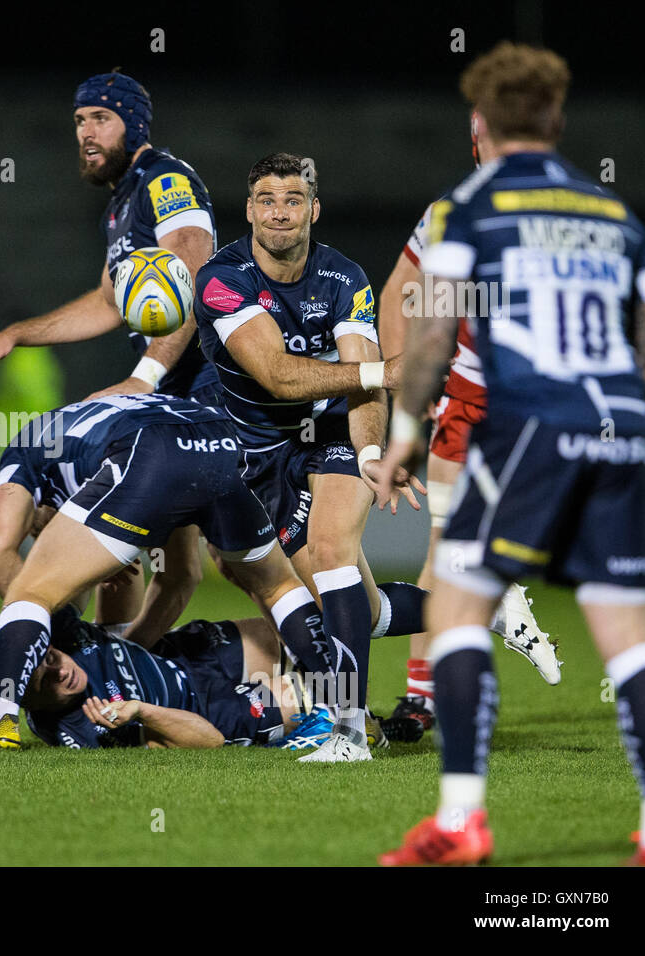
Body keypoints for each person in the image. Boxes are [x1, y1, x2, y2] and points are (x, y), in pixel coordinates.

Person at [373, 43, 645, 866]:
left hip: (524, 421)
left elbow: (430, 333)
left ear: (484, 125)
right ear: (558, 120)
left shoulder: (468, 207)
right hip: (620, 428)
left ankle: (462, 824)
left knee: (459, 603)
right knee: (629, 636)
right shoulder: (614, 214)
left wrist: (402, 434)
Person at [194, 152, 431, 762]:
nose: (279, 211)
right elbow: (275, 374)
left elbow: (362, 386)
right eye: (267, 199)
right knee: (356, 604)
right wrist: (387, 369)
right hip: (259, 453)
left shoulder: (344, 276)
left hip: (328, 434)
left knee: (331, 553)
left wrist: (373, 450)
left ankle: (348, 726)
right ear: (248, 210)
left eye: (293, 199)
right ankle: (479, 606)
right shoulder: (223, 278)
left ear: (313, 210)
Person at [0, 393, 334, 753]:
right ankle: (347, 711)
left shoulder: (29, 457)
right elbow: (179, 576)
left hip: (149, 449)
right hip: (217, 435)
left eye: (36, 529)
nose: (43, 536)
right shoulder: (60, 439)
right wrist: (122, 636)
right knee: (279, 588)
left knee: (33, 595)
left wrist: (44, 604)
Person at [376, 116, 562, 732]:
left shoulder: (560, 212)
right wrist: (409, 381)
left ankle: (498, 602)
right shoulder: (447, 213)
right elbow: (400, 293)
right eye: (491, 137)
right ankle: (421, 697)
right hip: (471, 397)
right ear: (477, 142)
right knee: (445, 546)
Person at [0, 71, 220, 405]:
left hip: (210, 382)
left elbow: (192, 279)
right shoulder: (118, 208)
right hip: (175, 385)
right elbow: (108, 303)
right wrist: (15, 335)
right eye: (80, 120)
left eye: (101, 118)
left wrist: (143, 379)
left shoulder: (165, 179)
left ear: (134, 126)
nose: (87, 132)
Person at [0, 605, 303, 750]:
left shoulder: (63, 634)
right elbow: (210, 742)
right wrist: (142, 710)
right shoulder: (84, 728)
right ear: (31, 705)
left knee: (298, 631)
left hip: (185, 656)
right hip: (206, 711)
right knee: (315, 696)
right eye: (47, 682)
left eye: (51, 658)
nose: (62, 672)